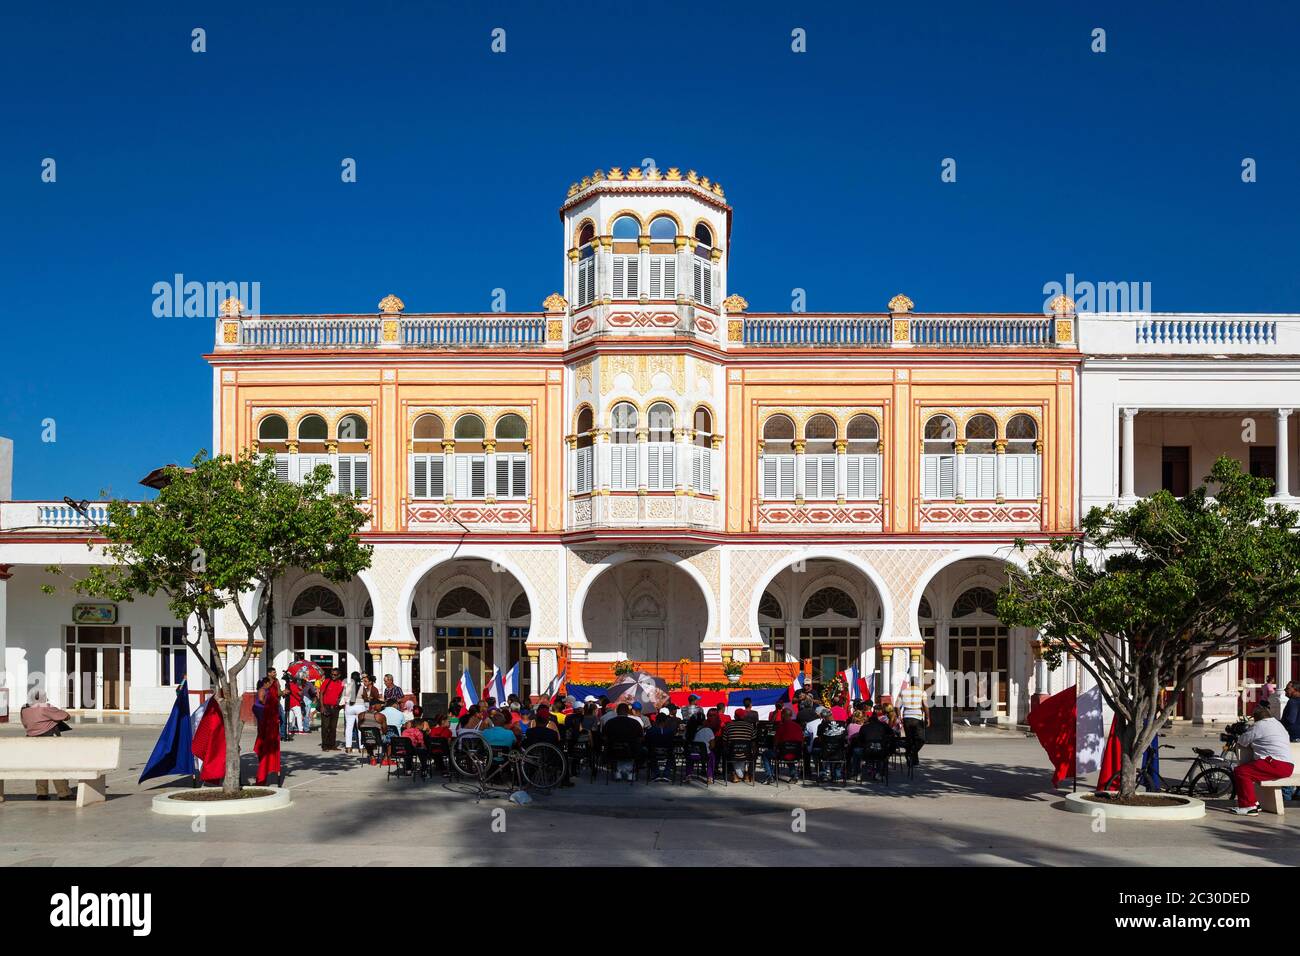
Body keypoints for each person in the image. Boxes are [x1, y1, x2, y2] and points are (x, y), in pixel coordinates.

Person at [4, 691, 74, 801]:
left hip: (32, 741)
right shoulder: (45, 707)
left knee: (41, 766)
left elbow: (25, 724)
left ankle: (42, 793)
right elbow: (66, 716)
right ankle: (63, 793)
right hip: (49, 740)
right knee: (56, 767)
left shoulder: (24, 709)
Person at [1231, 703, 1296, 815]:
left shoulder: (1259, 726)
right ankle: (1254, 803)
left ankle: (1248, 806)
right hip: (1287, 766)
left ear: (1256, 718)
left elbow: (1242, 741)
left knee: (1241, 772)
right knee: (1249, 771)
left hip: (1275, 764)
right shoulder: (1278, 724)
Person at [603, 703, 645, 780]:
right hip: (631, 751)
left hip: (613, 750)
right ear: (627, 711)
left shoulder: (609, 723)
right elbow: (641, 738)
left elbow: (605, 738)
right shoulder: (635, 723)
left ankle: (617, 770)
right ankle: (631, 772)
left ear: (617, 711)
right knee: (643, 750)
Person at [254, 676, 282, 785]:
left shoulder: (268, 690)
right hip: (263, 716)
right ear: (266, 683)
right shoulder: (262, 690)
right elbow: (261, 700)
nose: (271, 683)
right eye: (270, 682)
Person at [897, 680, 929, 768]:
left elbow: (897, 706)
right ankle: (911, 754)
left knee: (910, 739)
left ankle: (914, 760)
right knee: (921, 739)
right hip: (917, 718)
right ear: (918, 683)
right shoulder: (922, 692)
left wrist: (899, 716)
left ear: (910, 683)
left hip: (906, 718)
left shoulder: (903, 692)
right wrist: (927, 717)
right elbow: (925, 706)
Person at [721, 707, 757, 782]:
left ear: (735, 716)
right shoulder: (750, 726)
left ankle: (733, 774)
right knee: (754, 754)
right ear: (744, 716)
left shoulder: (728, 726)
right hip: (746, 754)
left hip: (732, 754)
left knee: (724, 752)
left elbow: (724, 741)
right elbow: (753, 742)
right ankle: (748, 774)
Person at [318, 667, 345, 751]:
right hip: (326, 707)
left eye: (335, 675)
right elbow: (321, 693)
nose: (333, 676)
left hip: (335, 708)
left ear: (339, 675)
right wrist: (322, 706)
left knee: (333, 727)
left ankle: (332, 745)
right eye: (332, 674)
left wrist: (340, 705)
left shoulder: (341, 684)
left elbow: (341, 695)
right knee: (325, 727)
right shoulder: (327, 681)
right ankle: (325, 746)